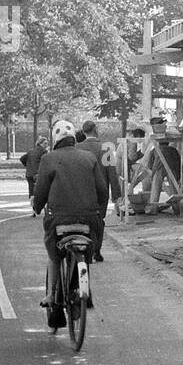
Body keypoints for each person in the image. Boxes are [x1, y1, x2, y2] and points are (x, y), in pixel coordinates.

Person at [31, 120, 107, 328]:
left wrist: (37, 207)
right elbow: (102, 189)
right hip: (89, 219)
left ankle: (53, 297)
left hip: (59, 220)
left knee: (54, 256)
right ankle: (85, 291)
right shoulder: (90, 158)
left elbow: (41, 192)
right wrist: (98, 211)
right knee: (87, 249)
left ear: (56, 140)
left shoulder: (48, 159)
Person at [75, 120, 121, 257]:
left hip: (82, 190)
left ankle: (85, 248)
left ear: (83, 132)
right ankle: (97, 250)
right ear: (95, 129)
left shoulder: (77, 148)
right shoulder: (106, 148)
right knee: (99, 220)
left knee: (83, 219)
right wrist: (117, 195)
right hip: (101, 191)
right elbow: (112, 172)